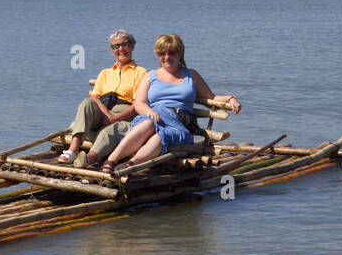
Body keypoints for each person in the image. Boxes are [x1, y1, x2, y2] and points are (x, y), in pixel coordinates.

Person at [101, 33, 242, 175]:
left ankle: (130, 164)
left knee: (160, 137)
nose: (167, 57)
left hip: (179, 122)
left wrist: (231, 99)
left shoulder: (191, 75)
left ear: (180, 54)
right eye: (162, 53)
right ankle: (111, 161)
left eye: (171, 53)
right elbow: (139, 103)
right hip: (154, 116)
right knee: (147, 123)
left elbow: (212, 97)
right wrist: (149, 111)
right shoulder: (150, 76)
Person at [58, 30, 147, 169]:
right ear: (112, 50)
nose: (121, 49)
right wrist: (106, 114)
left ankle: (89, 158)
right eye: (115, 46)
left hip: (126, 116)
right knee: (86, 103)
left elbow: (137, 104)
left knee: (111, 130)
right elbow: (95, 97)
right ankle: (73, 148)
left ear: (132, 47)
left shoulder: (141, 72)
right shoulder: (105, 73)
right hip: (103, 111)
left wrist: (115, 118)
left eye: (124, 44)